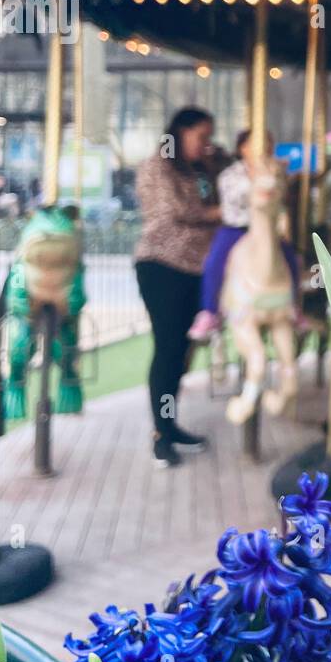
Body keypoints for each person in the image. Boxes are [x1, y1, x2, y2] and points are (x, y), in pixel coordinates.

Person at [134, 108, 221, 468]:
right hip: (163, 266)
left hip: (196, 269)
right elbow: (172, 211)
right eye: (201, 136)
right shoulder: (156, 167)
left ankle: (170, 425)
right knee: (168, 348)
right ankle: (159, 435)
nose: (206, 144)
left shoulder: (198, 170)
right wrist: (217, 213)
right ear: (180, 132)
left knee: (183, 351)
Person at [189, 129, 302, 340]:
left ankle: (294, 307)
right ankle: (209, 312)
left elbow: (281, 195)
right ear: (243, 148)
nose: (265, 148)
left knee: (290, 257)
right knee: (215, 261)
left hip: (265, 229)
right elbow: (236, 196)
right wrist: (258, 180)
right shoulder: (231, 175)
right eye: (258, 143)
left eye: (268, 143)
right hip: (236, 229)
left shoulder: (274, 170)